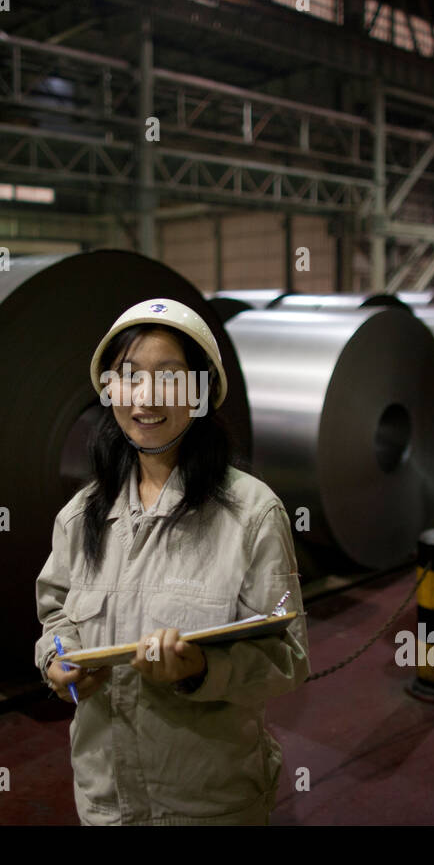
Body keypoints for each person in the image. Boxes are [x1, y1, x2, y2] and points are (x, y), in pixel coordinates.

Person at [34, 298, 310, 825]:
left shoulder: (252, 515)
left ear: (202, 392)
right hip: (106, 803)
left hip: (207, 804)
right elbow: (57, 616)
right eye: (128, 376)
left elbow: (288, 657)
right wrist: (58, 661)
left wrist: (200, 668)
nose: (145, 397)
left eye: (170, 377)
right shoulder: (81, 516)